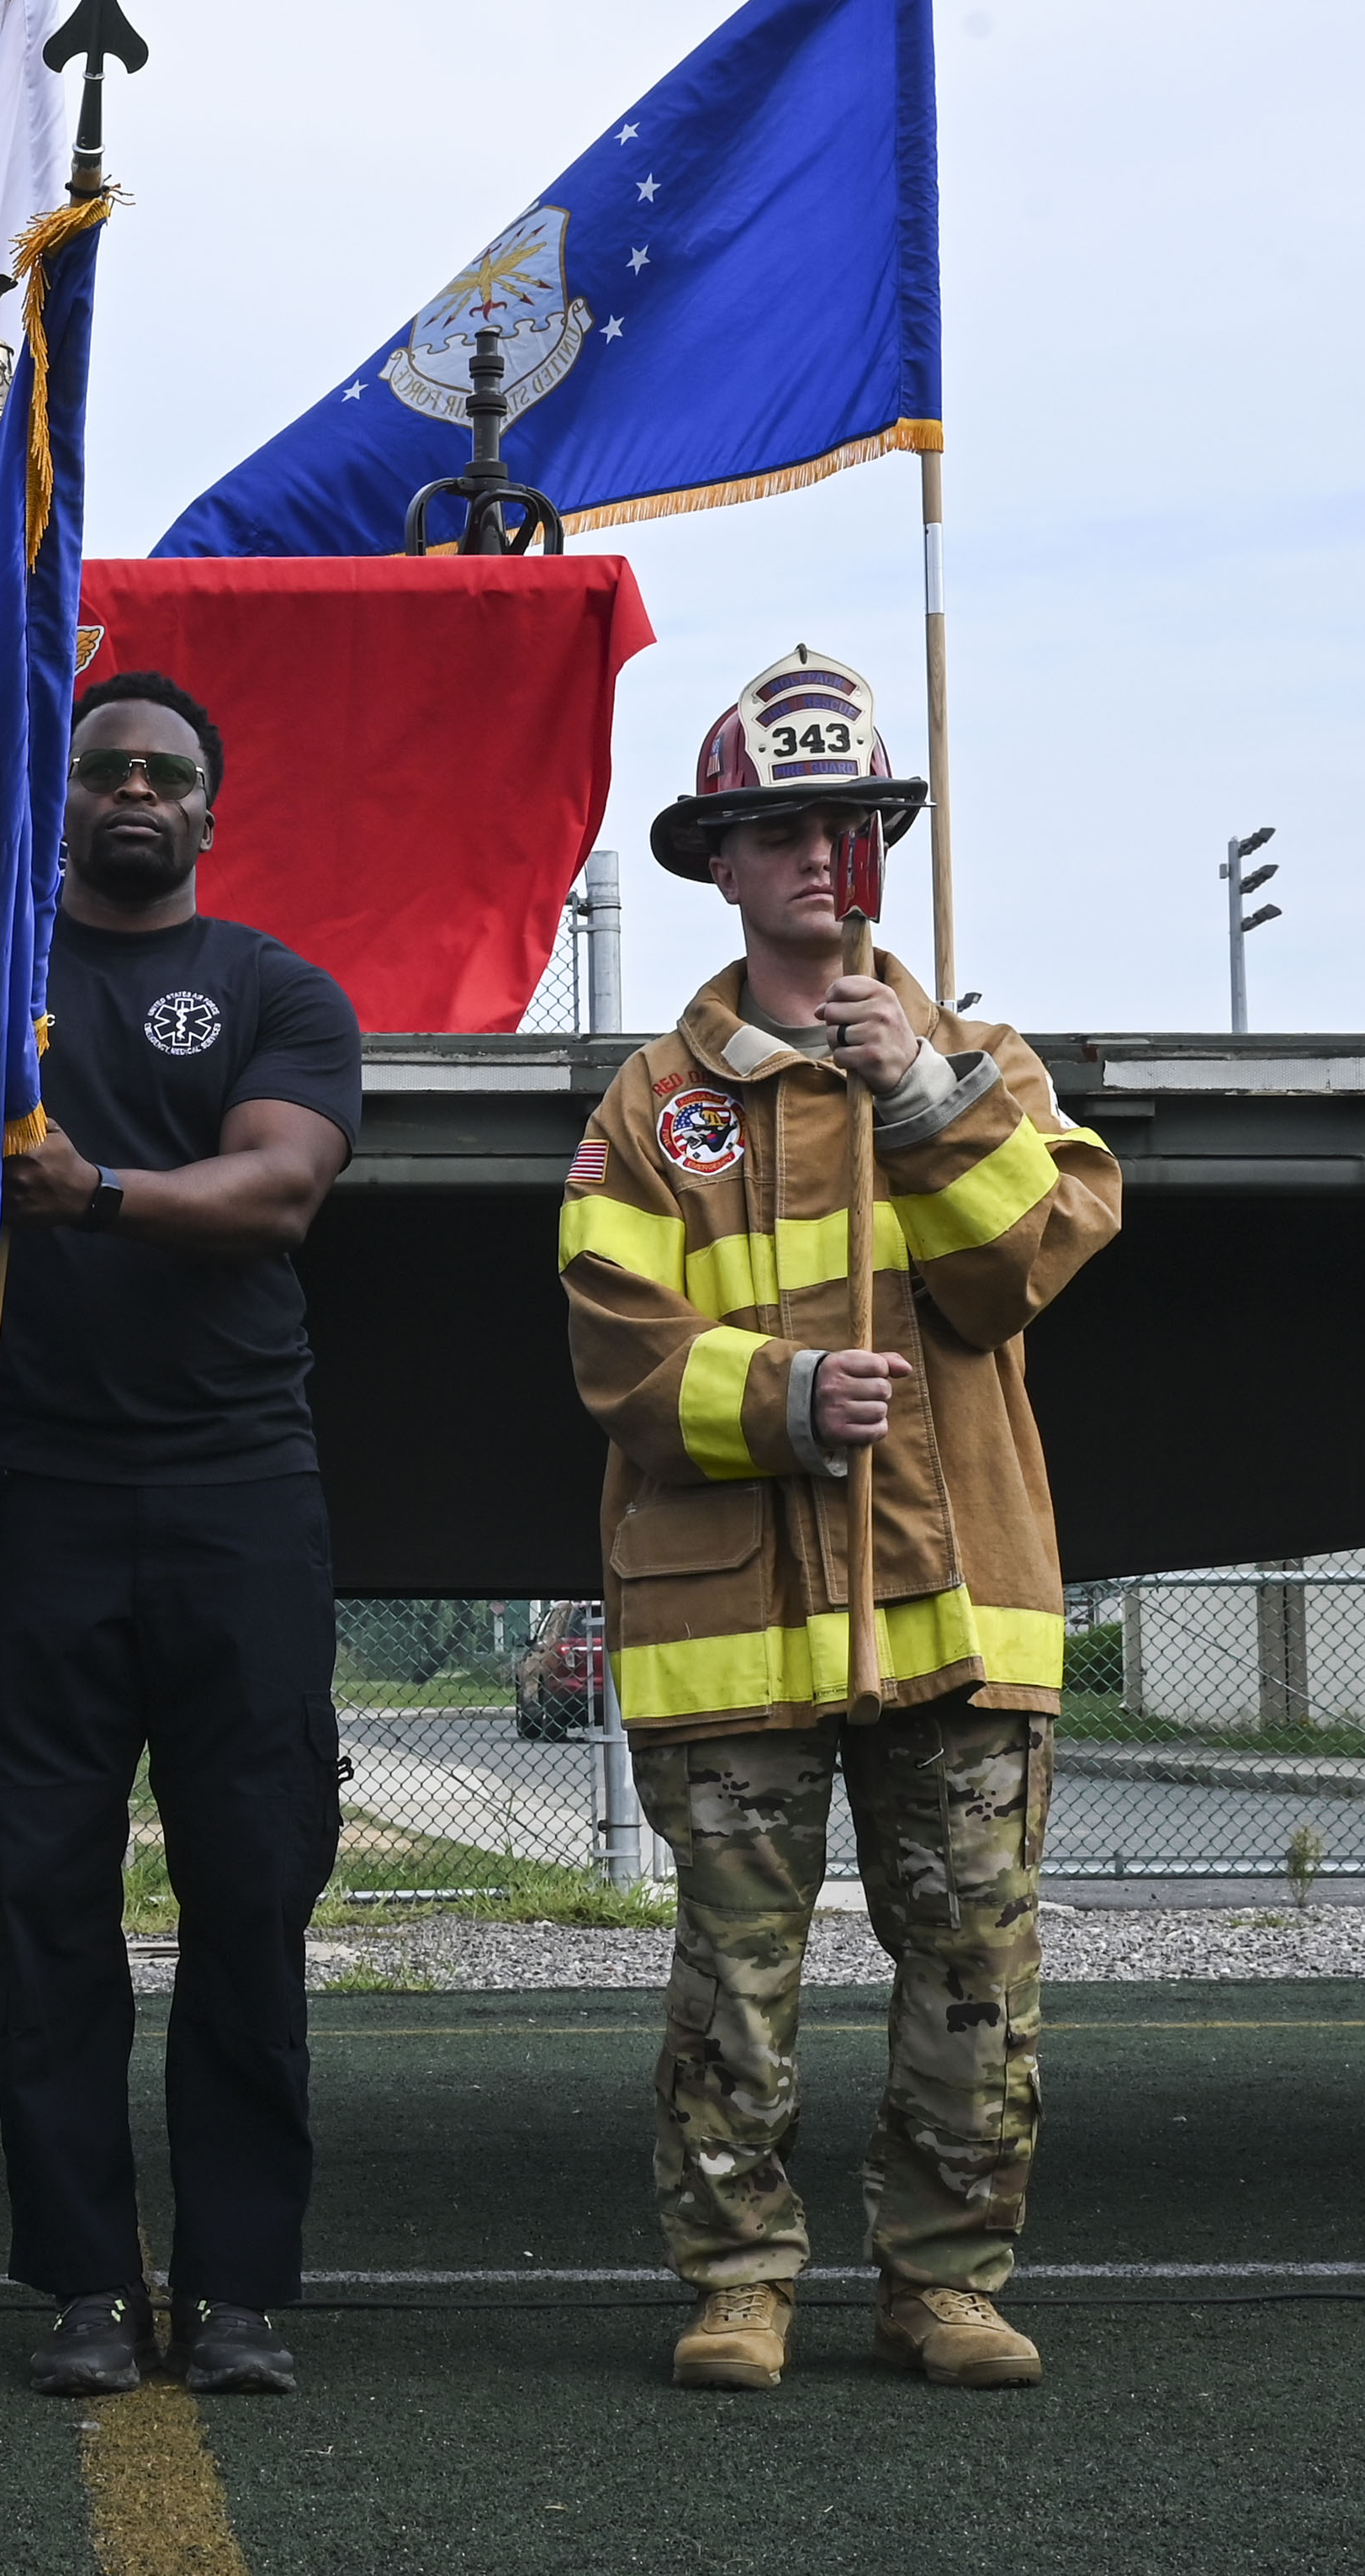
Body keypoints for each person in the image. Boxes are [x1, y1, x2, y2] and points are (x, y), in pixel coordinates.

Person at [564, 647, 1118, 2392]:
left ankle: (942, 2279)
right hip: (734, 1620)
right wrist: (785, 1399)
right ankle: (739, 2278)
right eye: (782, 826)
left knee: (974, 1973)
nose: (823, 854)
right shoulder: (657, 1104)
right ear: (717, 860)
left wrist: (928, 1098)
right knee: (735, 1982)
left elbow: (1022, 1271)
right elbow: (611, 1339)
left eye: (857, 822)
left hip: (956, 1610)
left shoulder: (985, 1063)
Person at [0, 671, 362, 2401]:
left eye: (166, 773)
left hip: (238, 1503)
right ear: (55, 801)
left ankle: (235, 2287)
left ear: (210, 813)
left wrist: (98, 1194)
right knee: (50, 1912)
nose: (133, 791)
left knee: (249, 1899)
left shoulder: (274, 988)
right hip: (33, 1516)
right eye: (101, 770)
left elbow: (282, 1185)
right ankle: (84, 2279)